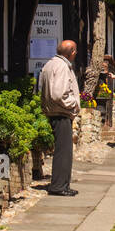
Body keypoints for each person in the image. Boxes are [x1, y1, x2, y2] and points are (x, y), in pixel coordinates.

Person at [37, 39, 80, 196]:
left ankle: (61, 184)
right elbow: (58, 93)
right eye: (75, 51)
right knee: (64, 151)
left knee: (62, 150)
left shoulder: (50, 64)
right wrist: (73, 104)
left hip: (52, 111)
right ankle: (59, 186)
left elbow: (41, 89)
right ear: (72, 52)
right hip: (61, 112)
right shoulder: (62, 66)